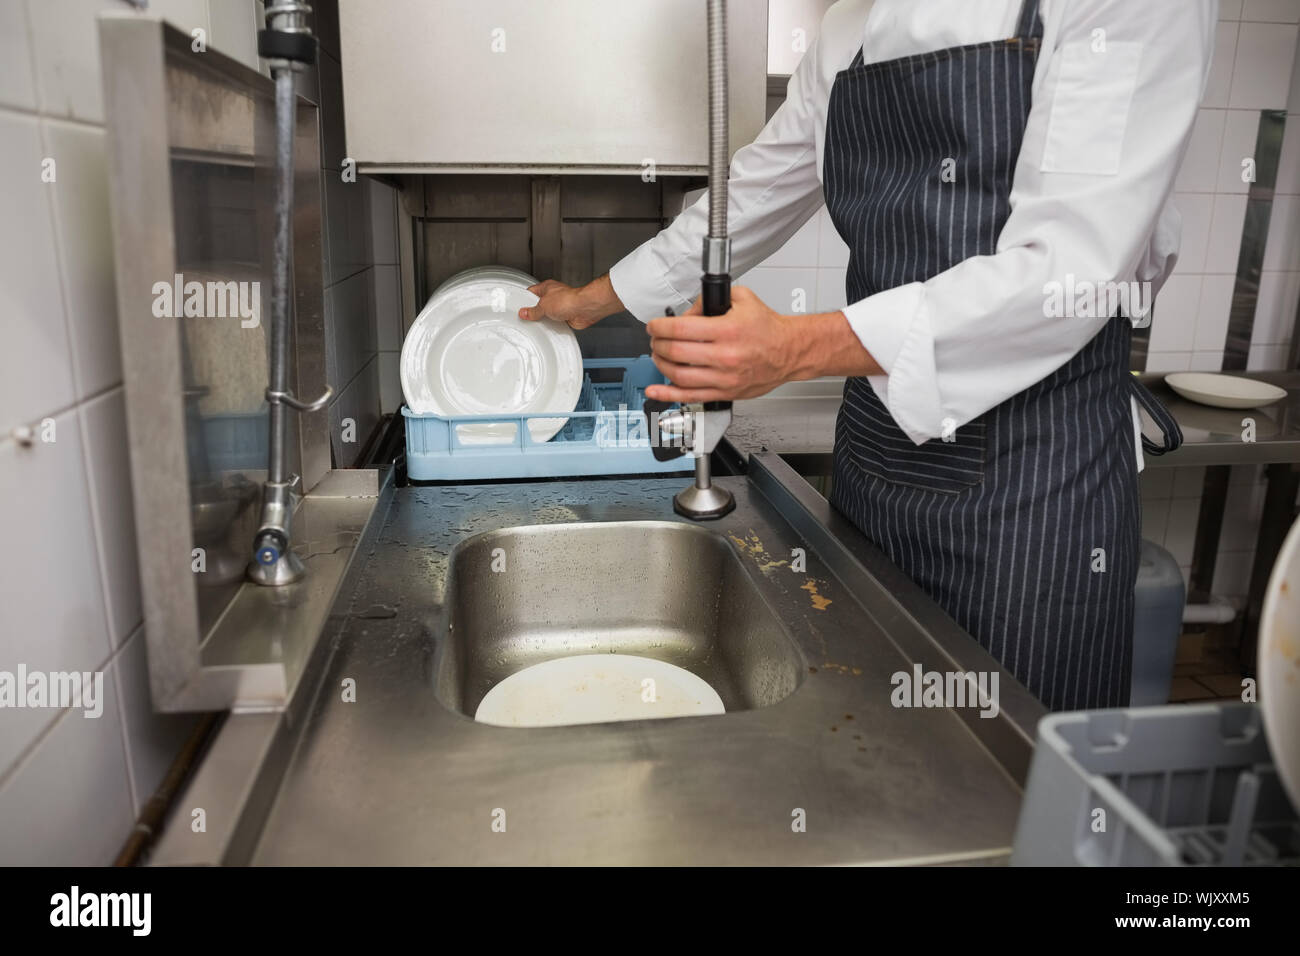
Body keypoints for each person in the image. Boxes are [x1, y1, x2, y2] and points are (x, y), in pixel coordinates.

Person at [519, 0, 1216, 711]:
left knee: (1015, 769)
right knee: (877, 746)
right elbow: (757, 188)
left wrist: (796, 348)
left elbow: (1068, 273)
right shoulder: (854, 22)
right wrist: (596, 298)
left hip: (1032, 492)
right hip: (873, 467)